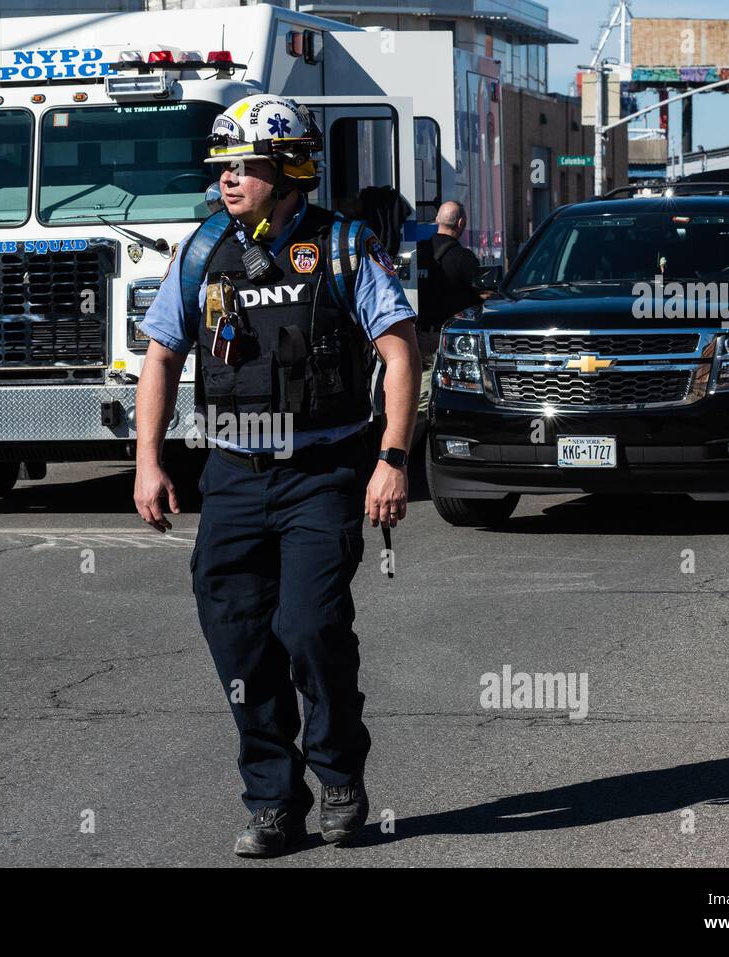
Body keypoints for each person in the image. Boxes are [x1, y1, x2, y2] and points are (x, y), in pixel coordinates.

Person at [132, 94, 421, 858]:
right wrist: (148, 461)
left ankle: (339, 777)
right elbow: (160, 355)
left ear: (290, 171)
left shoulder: (346, 247)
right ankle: (273, 803)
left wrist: (392, 459)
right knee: (238, 641)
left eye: (248, 167)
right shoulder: (201, 252)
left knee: (310, 627)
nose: (230, 181)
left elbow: (399, 353)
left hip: (322, 469)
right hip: (230, 472)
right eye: (224, 167)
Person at [417, 200, 486, 425]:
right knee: (437, 396)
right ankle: (423, 442)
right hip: (446, 340)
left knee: (417, 391)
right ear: (461, 223)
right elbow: (486, 295)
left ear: (437, 220)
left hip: (416, 336)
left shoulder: (418, 252)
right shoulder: (464, 258)